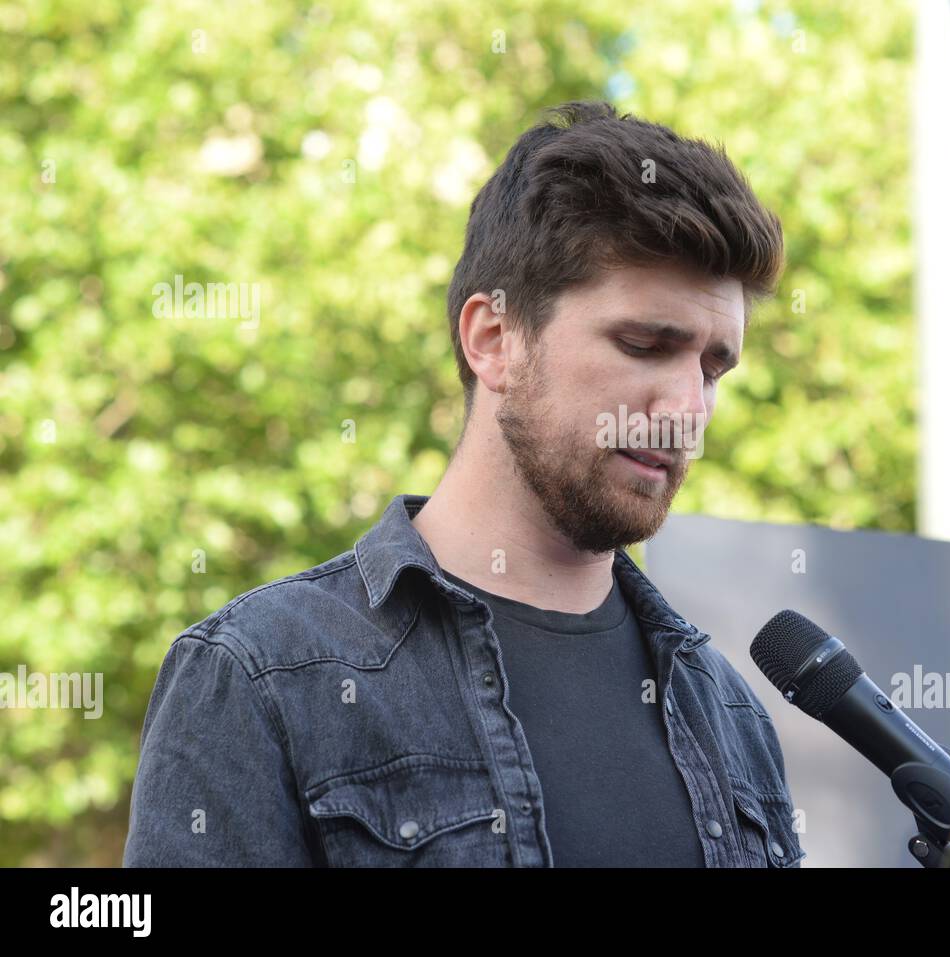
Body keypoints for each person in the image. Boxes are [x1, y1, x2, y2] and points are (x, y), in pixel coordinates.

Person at [124, 100, 805, 867]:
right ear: (495, 339)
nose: (689, 410)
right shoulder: (262, 674)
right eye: (646, 344)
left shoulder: (730, 711)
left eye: (714, 368)